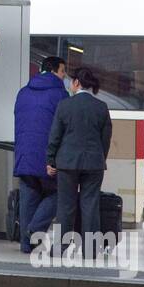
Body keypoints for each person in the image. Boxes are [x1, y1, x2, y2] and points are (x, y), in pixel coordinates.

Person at [46, 66, 112, 257]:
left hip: (67, 163)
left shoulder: (65, 105)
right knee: (90, 204)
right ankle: (91, 250)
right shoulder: (101, 107)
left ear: (76, 83)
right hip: (94, 163)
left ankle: (60, 247)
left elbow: (55, 136)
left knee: (66, 205)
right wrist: (99, 158)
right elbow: (105, 139)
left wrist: (51, 159)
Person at [12, 55, 68, 253]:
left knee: (29, 197)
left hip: (24, 155)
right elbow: (64, 127)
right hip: (47, 158)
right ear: (53, 71)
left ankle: (26, 244)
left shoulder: (23, 92)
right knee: (59, 193)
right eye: (62, 71)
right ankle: (33, 231)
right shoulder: (60, 95)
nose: (64, 76)